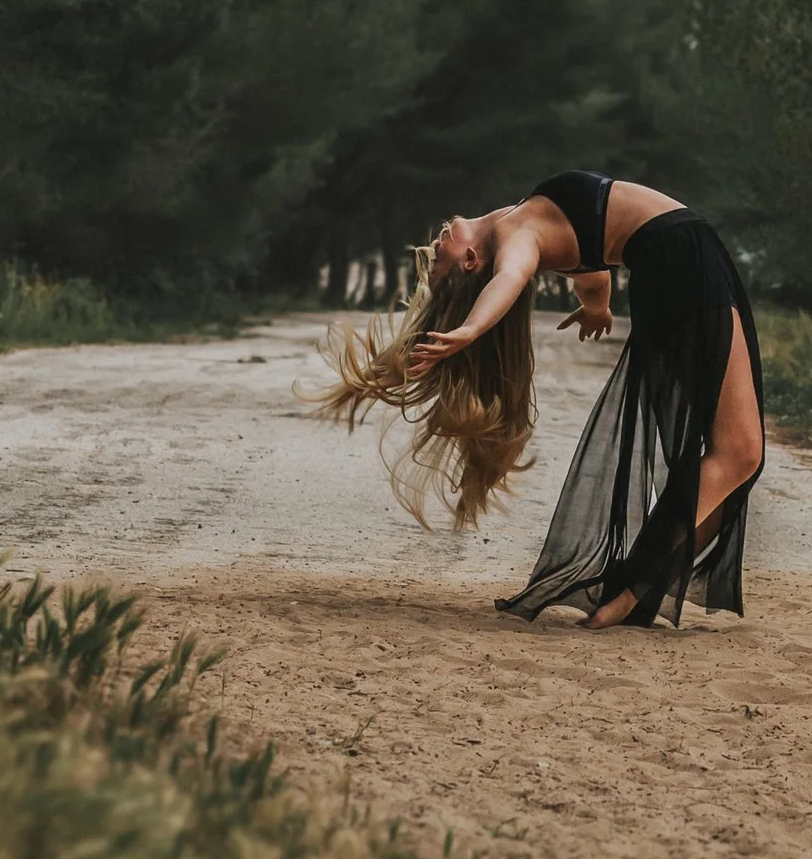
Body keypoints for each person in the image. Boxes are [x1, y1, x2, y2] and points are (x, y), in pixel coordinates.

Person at [313, 171, 766, 627]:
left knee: (741, 453)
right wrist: (470, 328)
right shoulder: (518, 236)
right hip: (683, 260)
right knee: (740, 453)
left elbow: (593, 273)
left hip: (686, 258)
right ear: (471, 260)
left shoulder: (530, 222)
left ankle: (638, 586)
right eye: (438, 258)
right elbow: (510, 275)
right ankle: (632, 591)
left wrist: (596, 308)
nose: (435, 243)